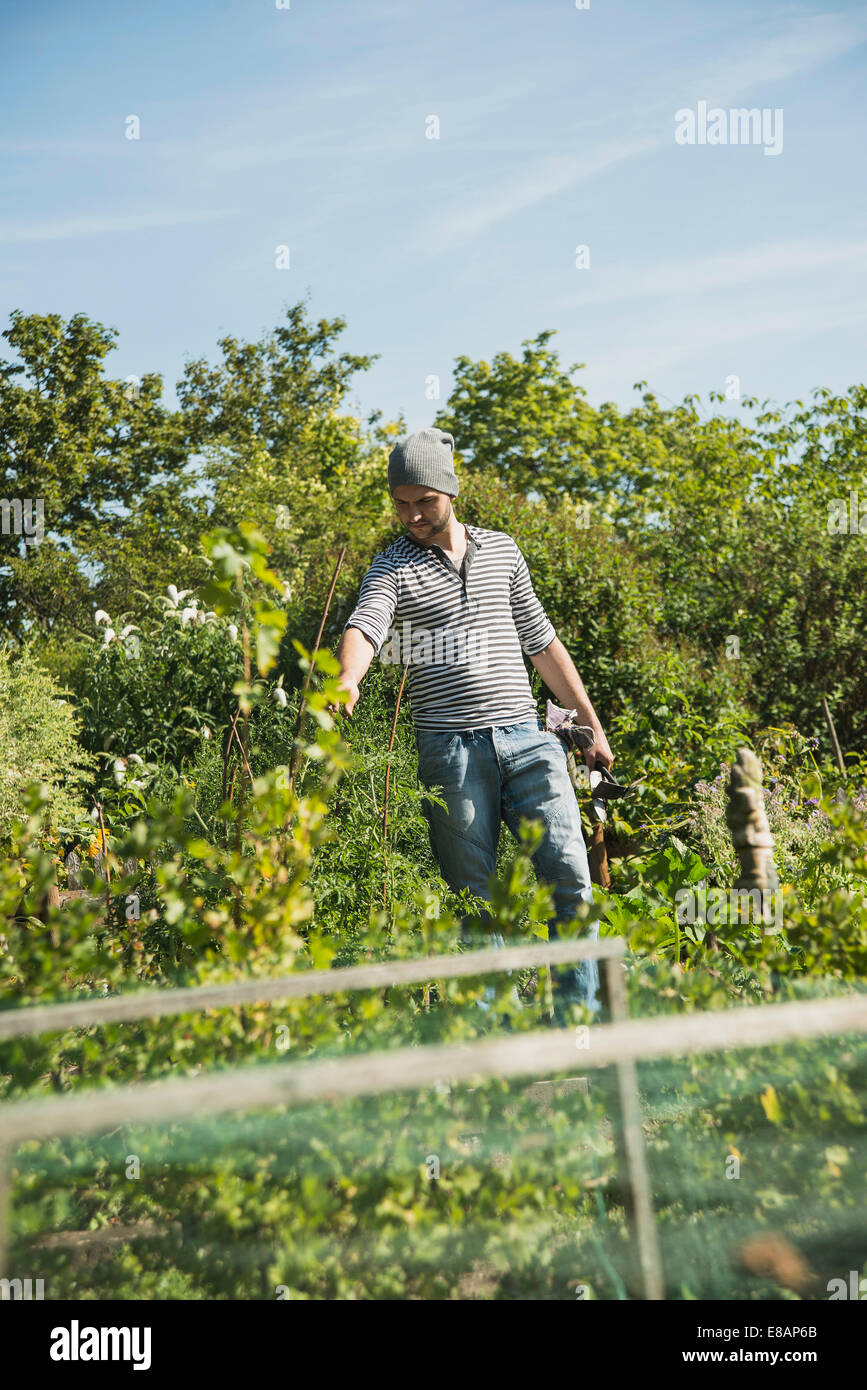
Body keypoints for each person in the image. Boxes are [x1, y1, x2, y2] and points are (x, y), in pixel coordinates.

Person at [335, 427, 613, 1020]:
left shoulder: (503, 551)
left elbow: (543, 645)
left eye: (423, 502)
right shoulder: (392, 567)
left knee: (570, 879)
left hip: (529, 739)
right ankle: (495, 1041)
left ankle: (577, 1026)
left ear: (450, 491)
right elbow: (367, 624)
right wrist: (348, 678)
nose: (411, 515)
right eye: (400, 503)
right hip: (451, 751)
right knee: (477, 900)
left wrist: (591, 728)